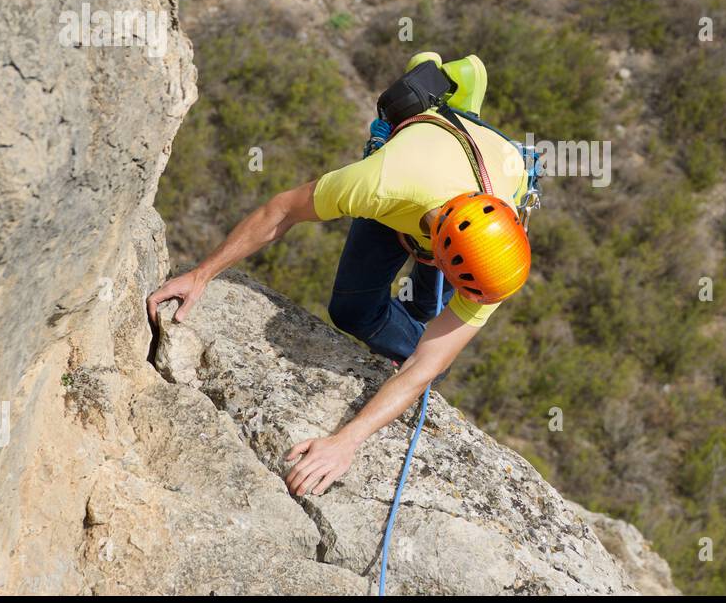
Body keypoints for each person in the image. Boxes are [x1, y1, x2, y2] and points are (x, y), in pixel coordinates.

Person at [146, 55, 531, 498]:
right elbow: (283, 210)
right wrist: (201, 274)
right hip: (414, 189)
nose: (466, 295)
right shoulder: (383, 183)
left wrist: (346, 440)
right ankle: (416, 311)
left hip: (481, 175)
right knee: (351, 310)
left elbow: (425, 368)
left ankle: (418, 314)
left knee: (425, 339)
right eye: (447, 270)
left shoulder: (496, 259)